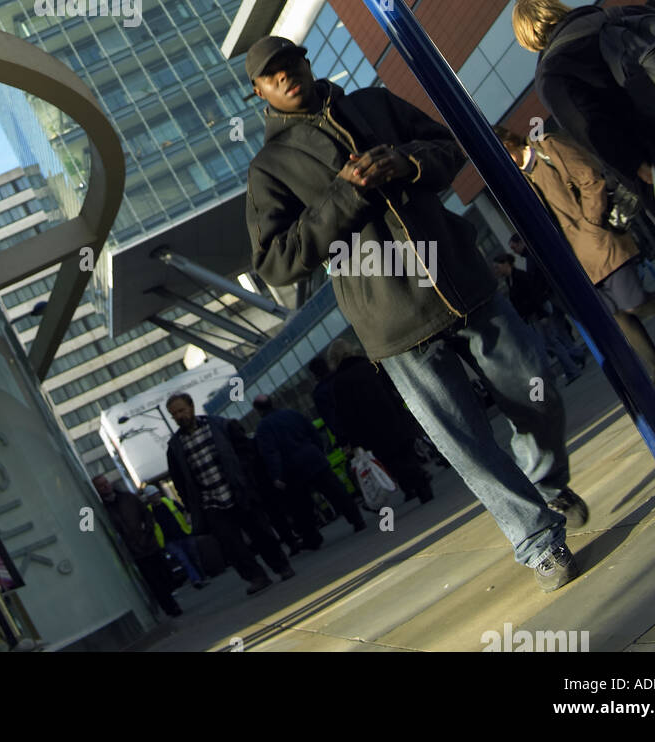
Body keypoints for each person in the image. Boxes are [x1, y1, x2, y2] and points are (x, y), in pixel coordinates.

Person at [243, 34, 586, 591]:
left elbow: (450, 149)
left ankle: (545, 483)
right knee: (465, 444)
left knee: (537, 390)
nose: (285, 76)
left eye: (290, 64)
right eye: (271, 75)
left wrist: (406, 162)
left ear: (306, 64)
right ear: (258, 92)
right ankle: (536, 540)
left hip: (463, 281)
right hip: (393, 323)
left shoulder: (374, 104)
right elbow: (278, 263)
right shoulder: (269, 169)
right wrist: (344, 195)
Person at [495, 126, 655, 392]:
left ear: (508, 143)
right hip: (576, 257)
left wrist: (592, 221)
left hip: (600, 240)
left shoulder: (547, 147)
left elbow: (589, 176)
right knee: (617, 314)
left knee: (634, 302)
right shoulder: (522, 179)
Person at [513, 0, 655, 237]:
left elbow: (592, 128)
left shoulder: (553, 75)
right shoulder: (621, 14)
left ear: (528, 38)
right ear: (556, 5)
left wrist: (638, 167)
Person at [164, 392, 294, 596]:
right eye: (174, 414)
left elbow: (246, 451)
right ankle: (256, 577)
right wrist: (192, 505)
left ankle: (281, 566)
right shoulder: (175, 447)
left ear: (191, 407)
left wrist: (246, 479)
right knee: (232, 545)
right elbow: (180, 480)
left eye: (181, 410)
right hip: (212, 503)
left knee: (261, 533)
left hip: (238, 491)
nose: (179, 416)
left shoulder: (219, 426)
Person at [323, 337, 434, 504]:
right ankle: (420, 481)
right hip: (393, 418)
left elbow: (346, 414)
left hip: (370, 430)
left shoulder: (339, 382)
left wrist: (351, 441)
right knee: (406, 453)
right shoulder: (371, 365)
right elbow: (392, 387)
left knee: (392, 461)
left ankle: (417, 483)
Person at [252, 393, 363, 539]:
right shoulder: (292, 414)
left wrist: (277, 475)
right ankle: (356, 519)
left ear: (258, 410)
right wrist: (318, 451)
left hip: (292, 469)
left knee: (302, 506)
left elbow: (271, 453)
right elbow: (313, 433)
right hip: (313, 458)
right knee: (336, 492)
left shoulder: (263, 428)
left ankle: (312, 537)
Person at [91, 475, 182, 617]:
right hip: (134, 551)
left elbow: (146, 514)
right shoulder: (101, 509)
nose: (106, 486)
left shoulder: (127, 498)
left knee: (165, 575)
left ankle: (169, 598)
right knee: (153, 581)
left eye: (106, 483)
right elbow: (91, 528)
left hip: (148, 544)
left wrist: (148, 532)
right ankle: (170, 607)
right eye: (101, 486)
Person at [492, 251, 583, 385]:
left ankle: (573, 366)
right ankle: (573, 364)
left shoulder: (520, 276)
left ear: (506, 264)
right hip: (530, 317)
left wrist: (542, 315)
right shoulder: (510, 280)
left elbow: (535, 296)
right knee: (549, 344)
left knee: (551, 343)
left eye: (497, 267)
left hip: (537, 314)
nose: (496, 270)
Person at [141, 486, 208, 589]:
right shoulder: (149, 512)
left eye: (156, 494)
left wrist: (187, 520)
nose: (155, 497)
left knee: (193, 556)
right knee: (184, 560)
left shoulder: (170, 503)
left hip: (183, 534)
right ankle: (196, 580)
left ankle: (202, 577)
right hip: (169, 541)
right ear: (149, 498)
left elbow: (184, 511)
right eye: (152, 496)